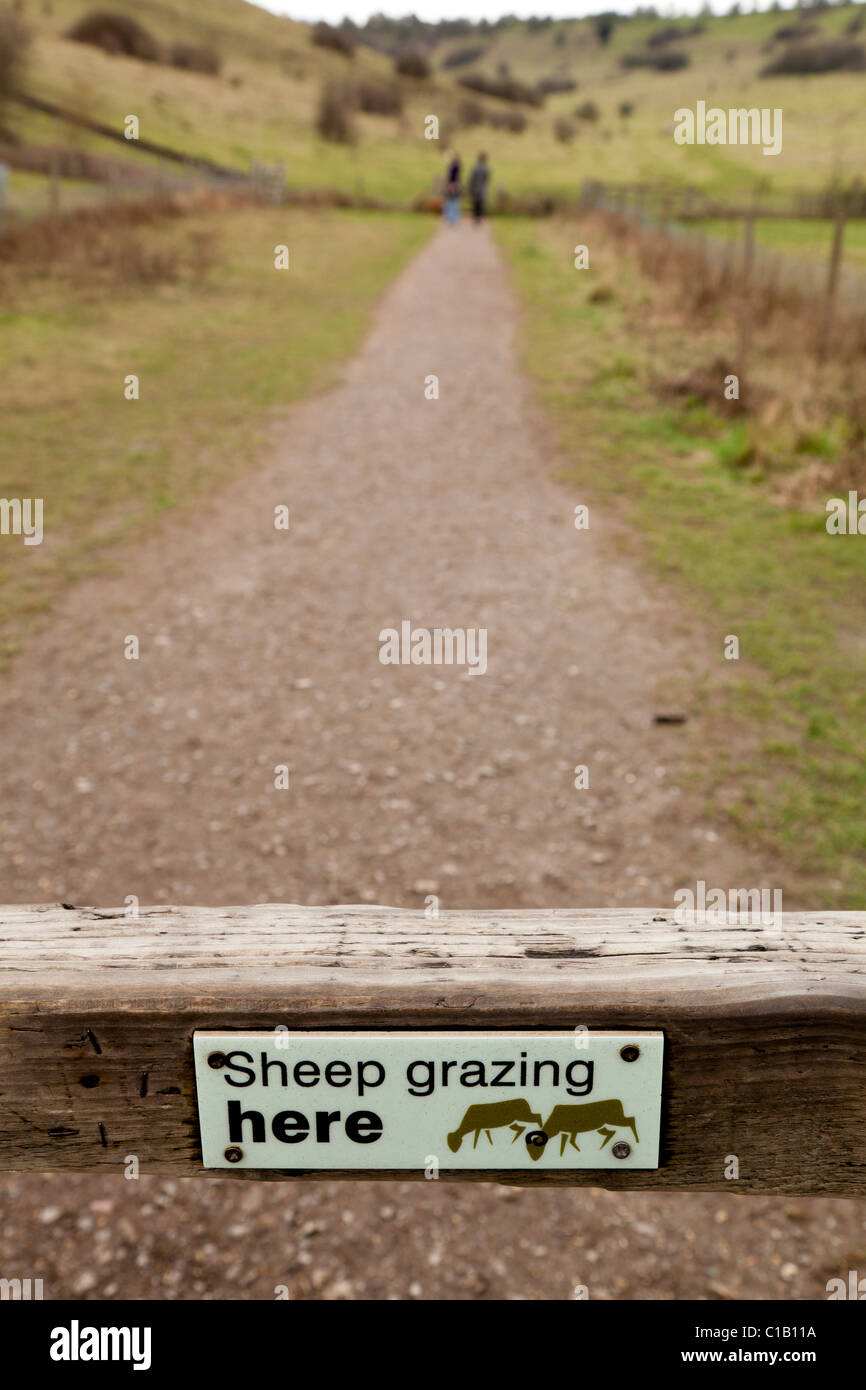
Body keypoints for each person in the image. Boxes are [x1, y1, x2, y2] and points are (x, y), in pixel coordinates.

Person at [468, 153, 490, 223]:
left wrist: (471, 187)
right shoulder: (486, 168)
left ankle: (475, 217)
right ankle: (479, 217)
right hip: (482, 188)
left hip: (475, 187)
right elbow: (487, 178)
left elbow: (472, 178)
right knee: (481, 203)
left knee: (475, 203)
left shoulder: (475, 167)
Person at [443, 152, 461, 226]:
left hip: (453, 186)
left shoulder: (454, 168)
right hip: (454, 186)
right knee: (454, 203)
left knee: (451, 203)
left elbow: (452, 178)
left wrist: (450, 186)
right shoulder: (456, 167)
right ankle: (453, 219)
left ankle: (452, 219)